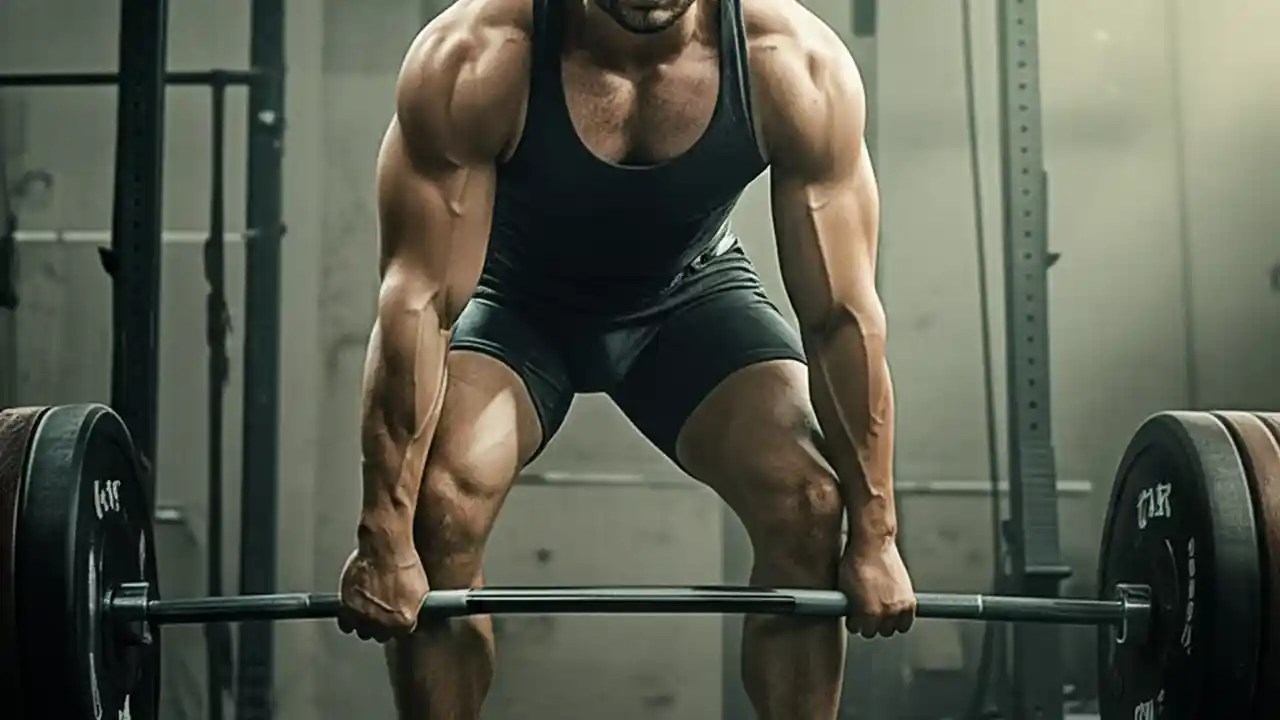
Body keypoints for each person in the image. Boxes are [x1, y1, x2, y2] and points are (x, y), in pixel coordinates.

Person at [337, 0, 916, 715]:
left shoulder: (795, 64)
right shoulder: (477, 55)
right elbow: (417, 304)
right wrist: (384, 536)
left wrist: (877, 535)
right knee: (440, 506)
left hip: (688, 301)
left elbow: (839, 317)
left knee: (809, 502)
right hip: (519, 303)